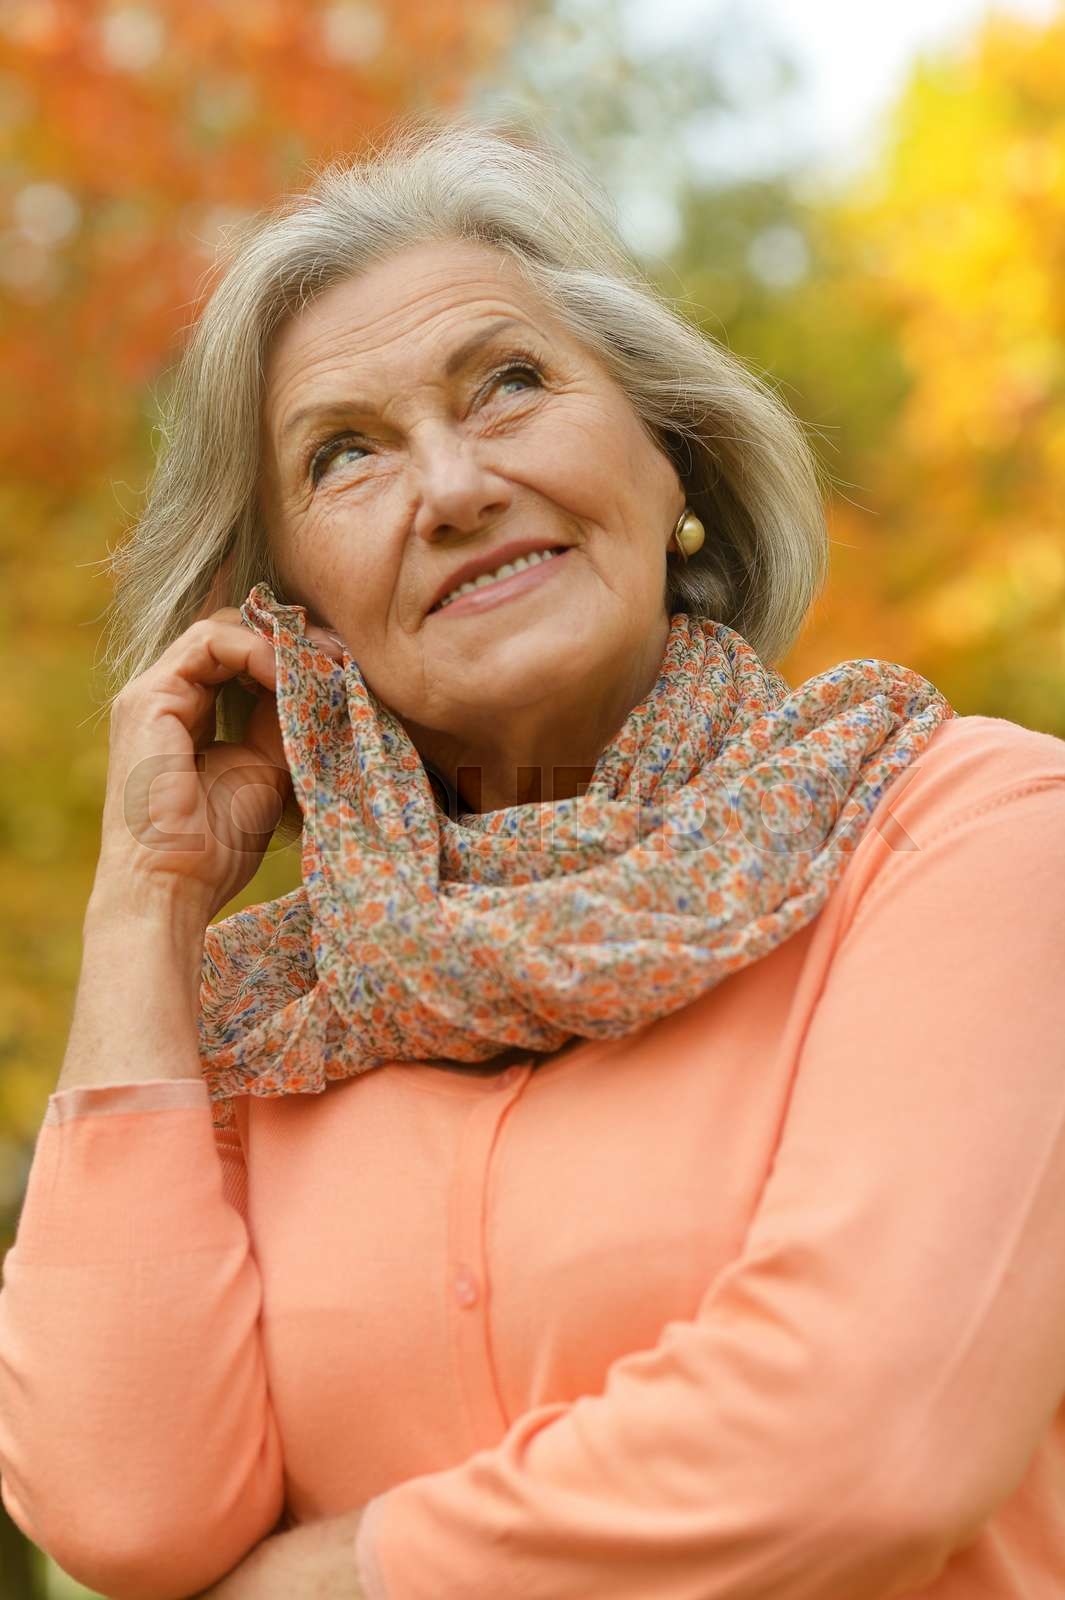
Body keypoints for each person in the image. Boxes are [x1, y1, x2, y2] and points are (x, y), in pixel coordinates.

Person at [0, 111, 1063, 1600]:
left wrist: (340, 1578)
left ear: (670, 454)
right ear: (286, 613)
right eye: (345, 455)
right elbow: (123, 1512)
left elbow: (871, 1442)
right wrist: (144, 911)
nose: (452, 487)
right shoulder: (261, 1027)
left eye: (508, 383)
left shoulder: (967, 834)